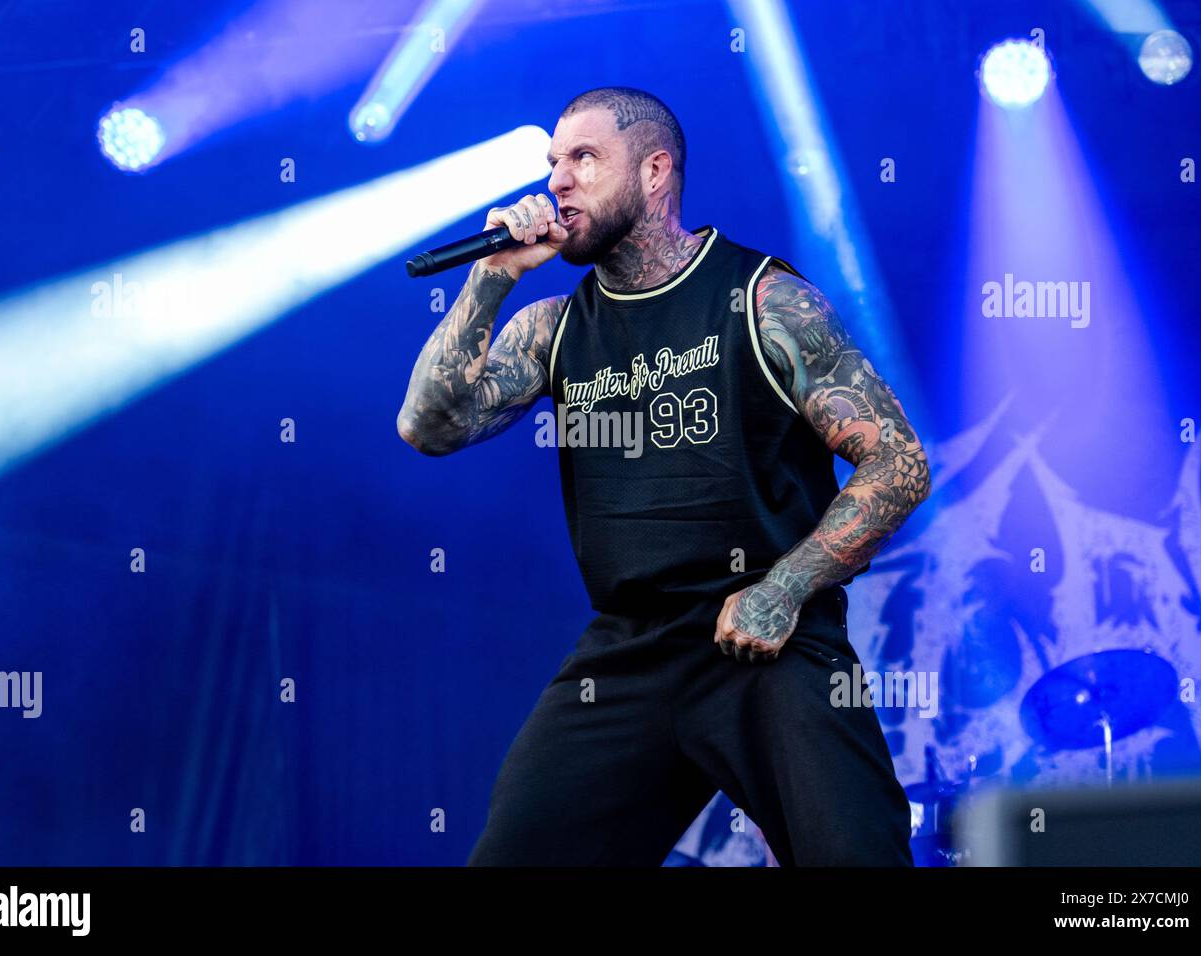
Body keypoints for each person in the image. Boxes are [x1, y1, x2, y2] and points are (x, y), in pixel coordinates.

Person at [397, 87, 930, 866]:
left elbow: (900, 461)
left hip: (773, 642)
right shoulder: (554, 327)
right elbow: (428, 425)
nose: (558, 182)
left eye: (583, 158)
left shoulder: (763, 300)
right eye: (553, 162)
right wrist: (492, 276)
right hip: (629, 649)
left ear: (654, 171)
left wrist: (783, 590)